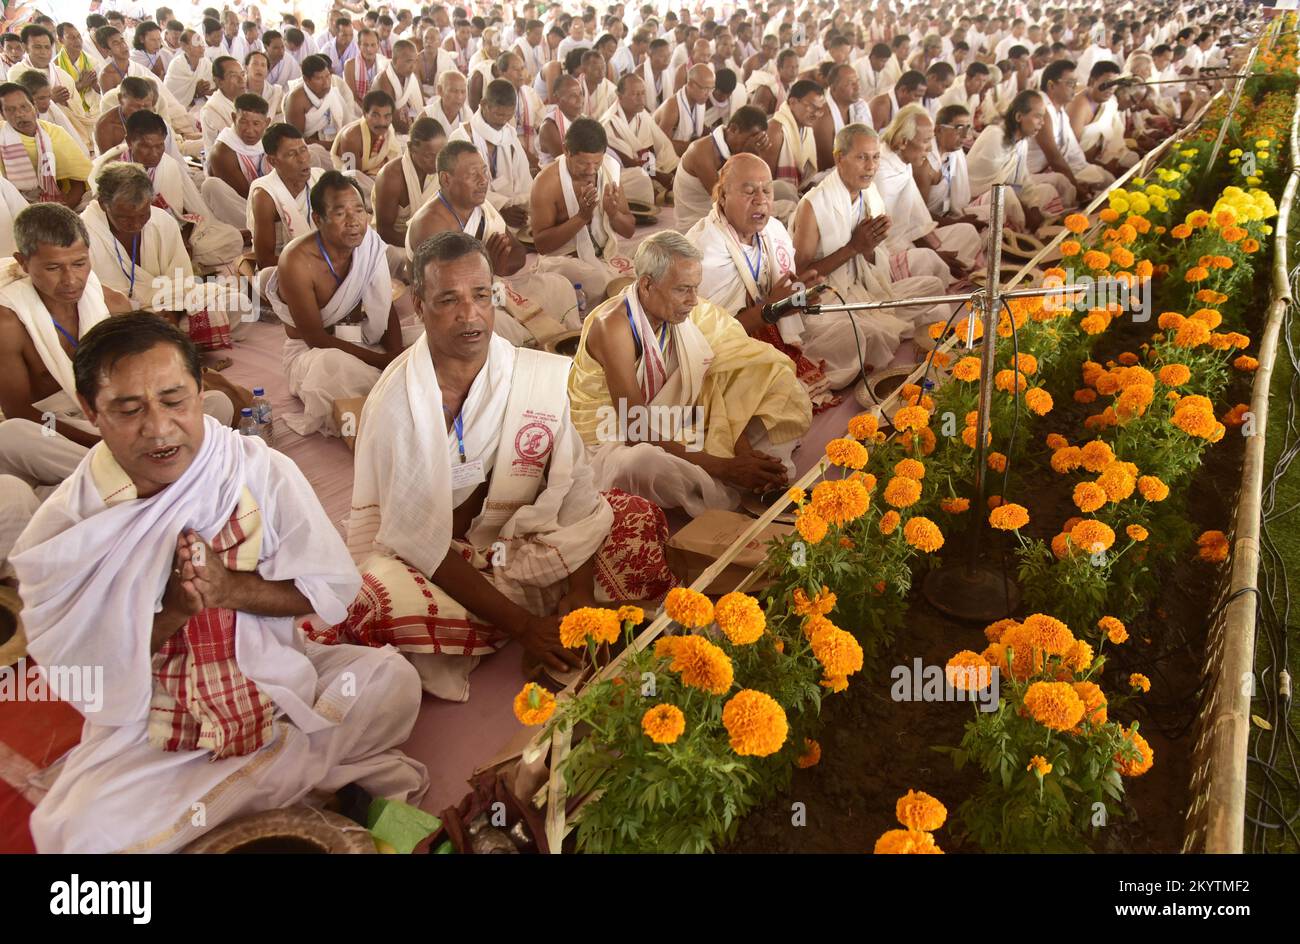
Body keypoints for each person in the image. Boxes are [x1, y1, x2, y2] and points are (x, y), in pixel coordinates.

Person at [13, 312, 427, 853]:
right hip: (157, 725)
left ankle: (240, 797)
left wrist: (229, 591)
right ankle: (294, 782)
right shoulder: (69, 529)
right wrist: (177, 613)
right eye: (128, 409)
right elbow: (89, 673)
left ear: (201, 389)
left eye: (174, 400)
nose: (159, 428)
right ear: (91, 411)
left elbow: (326, 594)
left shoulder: (254, 470)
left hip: (276, 684)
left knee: (391, 683)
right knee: (78, 833)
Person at [310, 231, 674, 698]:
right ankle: (524, 621)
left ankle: (551, 614)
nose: (469, 314)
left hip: (524, 539)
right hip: (440, 560)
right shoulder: (399, 403)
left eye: (481, 295)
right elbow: (421, 542)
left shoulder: (529, 373)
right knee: (374, 601)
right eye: (448, 300)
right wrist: (525, 627)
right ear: (418, 305)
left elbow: (573, 485)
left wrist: (579, 592)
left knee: (638, 518)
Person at [0, 204, 239, 498]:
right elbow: (19, 412)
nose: (71, 279)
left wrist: (130, 424)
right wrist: (99, 441)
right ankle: (153, 478)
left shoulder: (110, 302)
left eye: (79, 263)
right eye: (53, 268)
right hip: (58, 426)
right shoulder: (8, 322)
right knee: (12, 437)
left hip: (124, 415)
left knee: (217, 403)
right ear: (23, 263)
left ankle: (113, 485)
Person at [567, 230, 810, 516]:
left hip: (678, 419)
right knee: (643, 463)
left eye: (696, 288)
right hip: (613, 434)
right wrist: (725, 467)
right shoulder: (613, 328)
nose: (693, 300)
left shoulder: (687, 312)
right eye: (682, 289)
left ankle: (746, 473)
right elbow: (635, 429)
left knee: (778, 386)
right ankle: (730, 483)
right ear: (646, 285)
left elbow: (720, 384)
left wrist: (741, 450)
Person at [265, 171, 419, 437]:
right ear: (318, 219)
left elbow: (385, 307)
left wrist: (393, 355)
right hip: (314, 352)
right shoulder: (297, 262)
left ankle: (401, 393)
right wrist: (382, 362)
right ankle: (392, 414)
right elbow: (315, 338)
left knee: (428, 338)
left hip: (363, 337)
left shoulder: (368, 244)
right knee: (333, 368)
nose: (354, 222)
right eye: (340, 213)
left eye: (359, 210)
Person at [791, 124, 952, 371]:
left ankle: (882, 335)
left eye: (876, 157)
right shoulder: (813, 205)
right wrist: (853, 247)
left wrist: (872, 245)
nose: (871, 166)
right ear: (839, 158)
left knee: (933, 287)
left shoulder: (870, 193)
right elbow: (800, 277)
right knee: (872, 335)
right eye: (862, 157)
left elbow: (875, 262)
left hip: (865, 290)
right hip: (828, 302)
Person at [686, 154, 835, 409]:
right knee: (780, 398)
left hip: (770, 333)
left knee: (844, 337)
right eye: (748, 192)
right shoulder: (705, 250)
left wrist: (798, 296)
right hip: (723, 351)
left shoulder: (773, 231)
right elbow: (710, 337)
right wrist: (772, 307)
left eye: (767, 191)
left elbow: (783, 292)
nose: (761, 200)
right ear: (722, 197)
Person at [406, 140, 575, 348]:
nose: (483, 180)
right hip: (455, 308)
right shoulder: (430, 223)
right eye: (472, 174)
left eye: (484, 172)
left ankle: (562, 344)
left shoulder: (481, 207)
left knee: (559, 286)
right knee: (500, 325)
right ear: (446, 179)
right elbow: (445, 291)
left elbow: (518, 252)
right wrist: (489, 268)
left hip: (492, 286)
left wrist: (498, 267)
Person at [82, 163, 235, 352]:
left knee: (234, 304)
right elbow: (87, 295)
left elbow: (182, 279)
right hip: (119, 317)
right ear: (103, 204)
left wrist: (174, 312)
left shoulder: (162, 220)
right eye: (125, 218)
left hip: (165, 306)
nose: (136, 223)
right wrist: (134, 314)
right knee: (102, 333)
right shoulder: (83, 233)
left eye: (143, 214)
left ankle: (156, 344)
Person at [93, 110, 243, 273]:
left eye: (159, 146)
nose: (154, 153)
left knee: (231, 238)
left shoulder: (168, 165)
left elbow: (182, 214)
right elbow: (105, 216)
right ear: (129, 141)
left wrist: (181, 240)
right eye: (145, 146)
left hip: (167, 232)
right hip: (125, 238)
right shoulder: (111, 169)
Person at [530, 116, 634, 301]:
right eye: (583, 163)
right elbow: (542, 245)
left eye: (596, 162)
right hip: (563, 260)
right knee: (603, 284)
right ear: (566, 151)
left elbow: (629, 231)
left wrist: (613, 214)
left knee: (647, 268)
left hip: (605, 254)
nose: (591, 170)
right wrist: (582, 217)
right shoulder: (546, 183)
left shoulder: (609, 170)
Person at [875, 104, 979, 280]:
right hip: (887, 252)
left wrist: (936, 252)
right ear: (903, 141)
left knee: (967, 232)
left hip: (908, 243)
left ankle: (941, 273)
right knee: (927, 260)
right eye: (925, 141)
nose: (930, 148)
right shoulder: (881, 172)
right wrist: (933, 255)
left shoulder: (903, 161)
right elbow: (882, 241)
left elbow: (915, 223)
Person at [966, 89, 1066, 231]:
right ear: (1019, 116)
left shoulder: (1021, 142)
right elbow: (995, 185)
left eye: (1043, 117)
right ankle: (1024, 235)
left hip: (1007, 194)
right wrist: (1025, 207)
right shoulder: (995, 136)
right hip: (976, 200)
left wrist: (1033, 206)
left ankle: (1029, 230)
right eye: (1038, 117)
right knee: (1005, 195)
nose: (1042, 123)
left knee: (1046, 190)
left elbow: (1022, 180)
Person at [447, 78, 532, 227]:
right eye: (499, 115)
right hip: (473, 219)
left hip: (513, 215)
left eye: (509, 115)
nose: (503, 121)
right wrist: (499, 210)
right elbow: (461, 189)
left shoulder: (509, 134)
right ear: (484, 104)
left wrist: (521, 207)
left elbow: (524, 180)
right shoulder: (461, 138)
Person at [672, 104, 769, 231]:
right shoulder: (701, 152)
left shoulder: (734, 148)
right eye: (751, 138)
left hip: (728, 214)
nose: (754, 144)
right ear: (733, 129)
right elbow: (724, 201)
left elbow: (763, 185)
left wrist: (756, 155)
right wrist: (747, 156)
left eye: (759, 140)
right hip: (697, 223)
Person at [0, 82, 90, 207]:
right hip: (13, 204)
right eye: (10, 110)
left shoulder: (56, 134)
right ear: (3, 115)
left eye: (24, 107)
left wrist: (61, 211)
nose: (19, 114)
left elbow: (78, 183)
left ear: (34, 107)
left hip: (60, 202)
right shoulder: (1, 137)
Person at [600, 72, 677, 208]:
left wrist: (657, 174)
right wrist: (658, 176)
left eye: (643, 93)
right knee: (640, 178)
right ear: (620, 96)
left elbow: (648, 150)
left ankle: (655, 189)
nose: (641, 99)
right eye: (635, 94)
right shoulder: (608, 124)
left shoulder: (641, 116)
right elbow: (625, 162)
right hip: (622, 173)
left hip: (645, 168)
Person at [373, 115, 445, 247]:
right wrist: (422, 247)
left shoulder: (445, 171)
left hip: (431, 242)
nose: (437, 162)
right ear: (411, 147)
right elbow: (384, 232)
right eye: (429, 156)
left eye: (441, 154)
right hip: (397, 244)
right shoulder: (391, 176)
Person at [759, 78, 825, 222]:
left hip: (796, 196)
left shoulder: (806, 129)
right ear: (793, 102)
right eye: (811, 107)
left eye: (819, 109)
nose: (816, 114)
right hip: (773, 203)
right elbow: (763, 182)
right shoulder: (775, 131)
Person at [329, 89, 398, 200]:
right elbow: (352, 178)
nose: (382, 122)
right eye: (375, 116)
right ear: (365, 114)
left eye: (387, 116)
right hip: (358, 180)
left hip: (376, 176)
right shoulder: (351, 138)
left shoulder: (389, 131)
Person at [284, 53, 347, 158]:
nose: (326, 83)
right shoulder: (296, 100)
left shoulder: (332, 92)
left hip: (335, 140)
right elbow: (295, 140)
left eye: (327, 76)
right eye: (319, 78)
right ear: (306, 79)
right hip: (309, 150)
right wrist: (332, 146)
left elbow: (345, 121)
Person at [654, 61, 711, 155]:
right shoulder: (672, 107)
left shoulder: (699, 100)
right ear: (690, 84)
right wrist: (695, 147)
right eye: (705, 88)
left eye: (711, 89)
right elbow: (661, 145)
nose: (708, 94)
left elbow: (695, 123)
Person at [372, 38, 423, 136]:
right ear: (395, 60)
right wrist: (416, 133)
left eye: (415, 61)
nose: (413, 66)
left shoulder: (411, 77)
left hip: (410, 126)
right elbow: (390, 118)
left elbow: (419, 106)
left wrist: (418, 122)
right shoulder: (383, 82)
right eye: (408, 61)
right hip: (385, 131)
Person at [199, 55, 246, 152]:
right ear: (219, 82)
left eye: (242, 74)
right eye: (233, 75)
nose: (241, 80)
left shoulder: (248, 101)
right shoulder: (212, 110)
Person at [535, 72, 582, 167]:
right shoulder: (549, 127)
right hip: (555, 177)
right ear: (557, 98)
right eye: (573, 96)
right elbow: (567, 162)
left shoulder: (583, 119)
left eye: (581, 94)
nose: (579, 100)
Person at [164, 28, 214, 109]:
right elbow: (171, 97)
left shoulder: (205, 63)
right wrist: (195, 92)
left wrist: (206, 88)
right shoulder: (176, 66)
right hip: (180, 110)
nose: (202, 47)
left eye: (202, 43)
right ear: (184, 47)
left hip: (202, 105)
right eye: (197, 44)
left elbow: (215, 85)